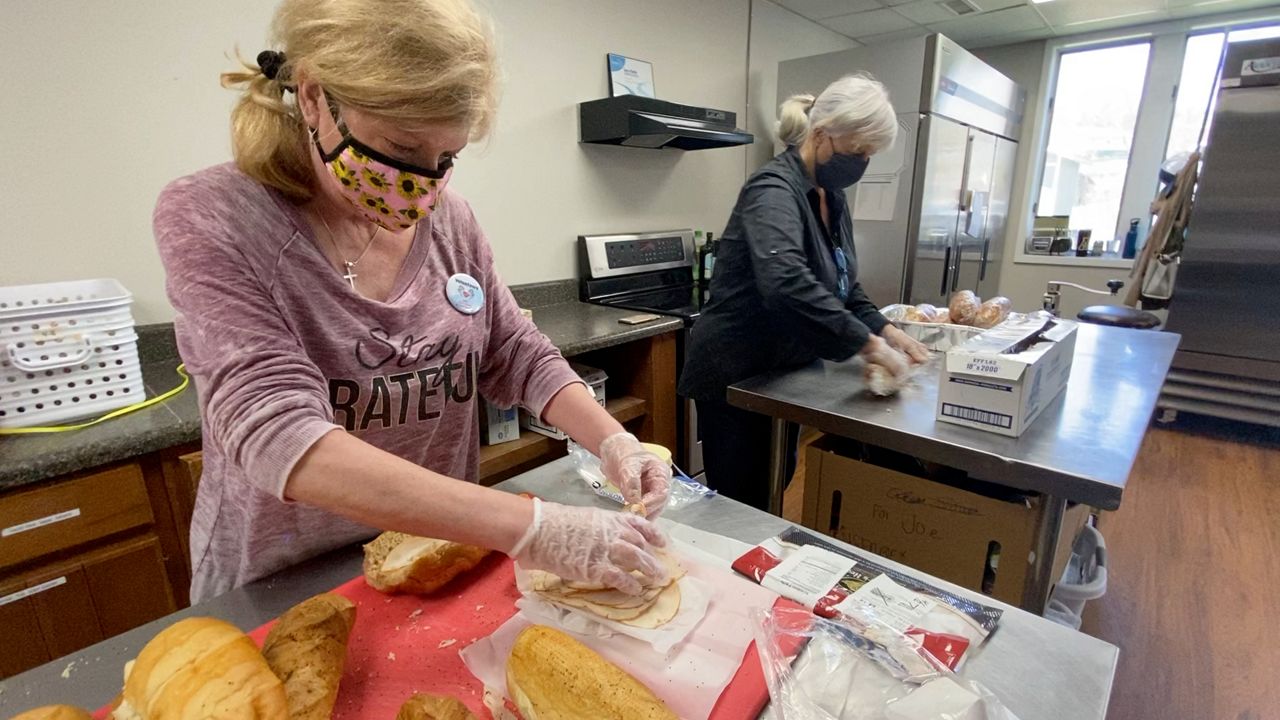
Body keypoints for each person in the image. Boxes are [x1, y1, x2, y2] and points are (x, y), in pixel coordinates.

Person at [155, 0, 672, 603]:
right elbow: (277, 432)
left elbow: (513, 350)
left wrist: (612, 440)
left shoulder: (451, 221)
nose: (425, 188)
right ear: (315, 96)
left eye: (445, 159)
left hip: (432, 551)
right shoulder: (215, 216)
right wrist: (532, 529)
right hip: (283, 580)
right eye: (402, 152)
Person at [680, 74, 930, 511]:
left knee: (777, 477)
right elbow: (786, 283)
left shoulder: (832, 197)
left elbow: (842, 283)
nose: (863, 163)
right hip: (738, 372)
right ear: (821, 135)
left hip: (785, 370)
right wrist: (869, 346)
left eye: (870, 154)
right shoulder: (772, 190)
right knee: (741, 502)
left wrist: (889, 331)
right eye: (859, 151)